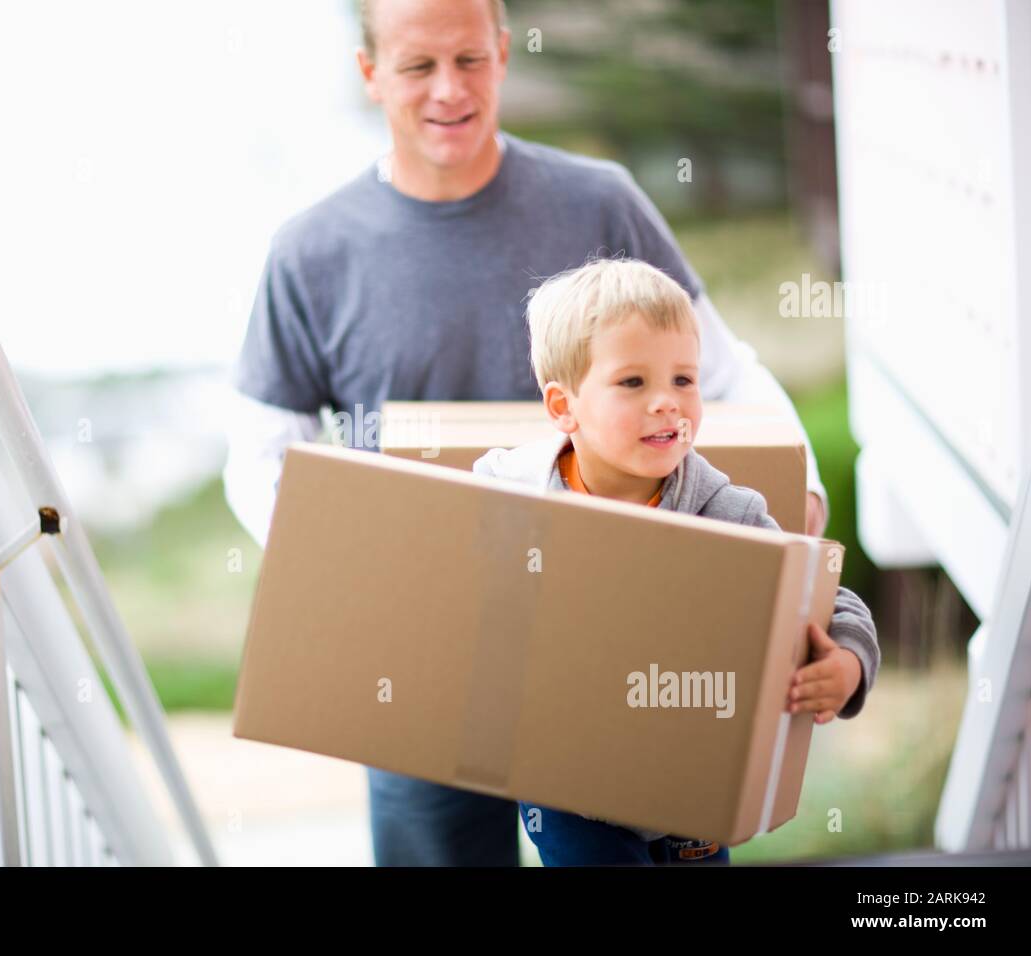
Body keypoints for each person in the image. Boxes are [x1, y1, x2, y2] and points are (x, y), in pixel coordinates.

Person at [225, 0, 832, 866]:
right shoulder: (309, 252)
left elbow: (727, 372)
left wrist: (801, 492)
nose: (449, 90)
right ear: (369, 74)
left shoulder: (600, 202)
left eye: (471, 59)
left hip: (609, 645)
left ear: (505, 53)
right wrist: (346, 578)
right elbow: (259, 455)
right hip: (419, 656)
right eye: (416, 66)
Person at [472, 257, 880, 866]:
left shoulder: (725, 511)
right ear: (564, 406)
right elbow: (450, 574)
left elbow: (822, 593)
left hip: (694, 787)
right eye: (633, 383)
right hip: (573, 789)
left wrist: (847, 663)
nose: (668, 403)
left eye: (684, 380)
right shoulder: (514, 492)